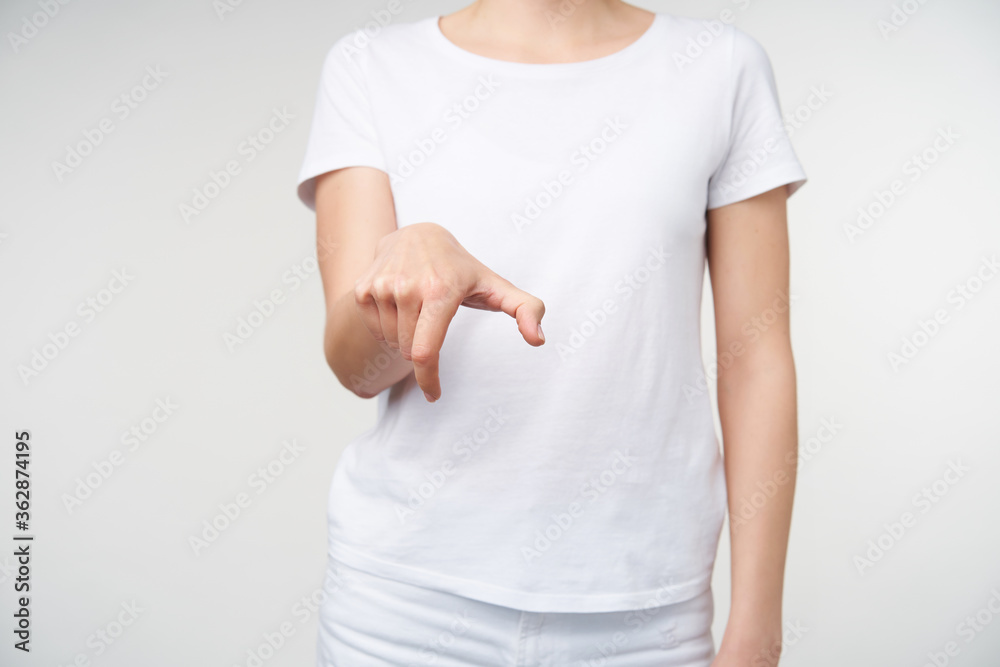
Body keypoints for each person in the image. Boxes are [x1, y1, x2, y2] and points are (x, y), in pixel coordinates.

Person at [295, 1, 805, 665]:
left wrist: (757, 631)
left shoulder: (722, 67)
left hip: (643, 614)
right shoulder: (369, 67)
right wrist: (409, 273)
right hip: (407, 607)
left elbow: (756, 360)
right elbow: (357, 371)